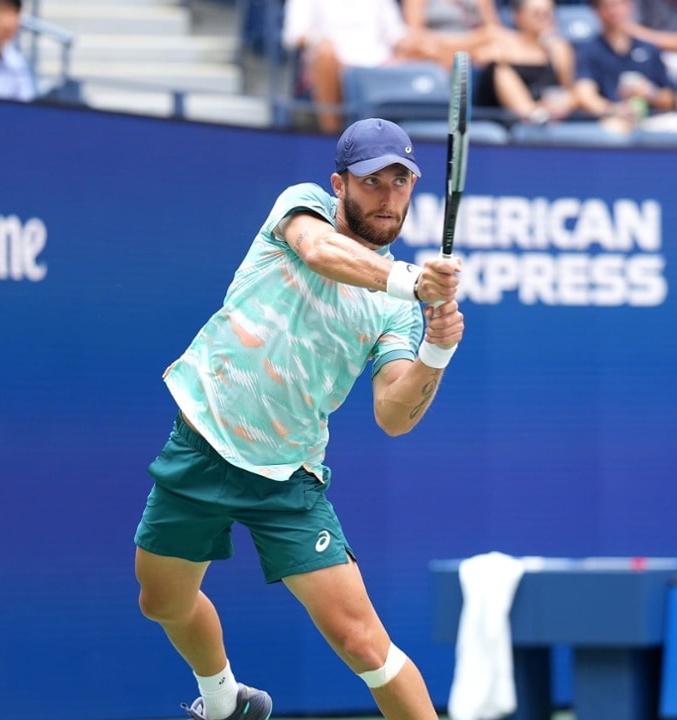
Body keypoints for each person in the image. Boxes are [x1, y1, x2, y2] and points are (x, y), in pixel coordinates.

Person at [133, 117, 464, 720]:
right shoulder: (302, 208)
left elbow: (393, 413)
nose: (389, 198)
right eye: (372, 183)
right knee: (160, 601)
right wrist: (411, 280)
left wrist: (435, 352)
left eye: (401, 182)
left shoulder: (396, 311)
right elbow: (321, 252)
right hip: (203, 441)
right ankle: (224, 700)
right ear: (340, 184)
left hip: (289, 477)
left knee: (363, 643)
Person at [282, 0, 424, 134]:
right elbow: (294, 35)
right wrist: (319, 41)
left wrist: (423, 46)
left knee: (427, 50)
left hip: (380, 64)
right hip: (332, 64)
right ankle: (333, 137)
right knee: (325, 57)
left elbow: (396, 33)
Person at [574, 0, 677, 132]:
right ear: (596, 11)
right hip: (610, 121)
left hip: (651, 120)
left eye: (618, 5)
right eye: (606, 6)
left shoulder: (648, 48)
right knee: (614, 129)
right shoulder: (588, 51)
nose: (613, 11)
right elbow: (585, 96)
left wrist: (650, 93)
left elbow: (671, 99)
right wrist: (614, 110)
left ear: (629, 6)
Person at [477, 0, 580, 124]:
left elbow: (567, 87)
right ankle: (533, 114)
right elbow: (480, 58)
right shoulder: (501, 44)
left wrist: (563, 103)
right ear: (517, 16)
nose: (543, 18)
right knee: (500, 69)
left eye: (547, 13)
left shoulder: (558, 48)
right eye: (537, 13)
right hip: (509, 116)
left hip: (550, 111)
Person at [400, 0, 504, 67]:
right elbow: (414, 35)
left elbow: (493, 32)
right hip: (433, 52)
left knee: (493, 53)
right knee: (423, 49)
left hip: (472, 51)